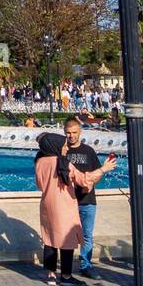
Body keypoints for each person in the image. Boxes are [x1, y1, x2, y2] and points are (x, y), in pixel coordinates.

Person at [34, 131, 114, 286]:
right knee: (67, 240)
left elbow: (39, 185)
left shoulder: (40, 162)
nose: (66, 148)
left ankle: (51, 275)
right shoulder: (62, 162)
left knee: (50, 239)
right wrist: (103, 169)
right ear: (55, 146)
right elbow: (83, 180)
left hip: (46, 204)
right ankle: (66, 276)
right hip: (64, 204)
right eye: (63, 145)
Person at [61, 118, 104, 276]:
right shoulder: (62, 152)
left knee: (87, 235)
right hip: (68, 201)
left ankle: (86, 265)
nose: (71, 136)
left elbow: (98, 171)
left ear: (80, 132)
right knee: (68, 235)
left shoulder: (88, 151)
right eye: (68, 133)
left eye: (74, 133)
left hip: (87, 200)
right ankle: (66, 268)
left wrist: (92, 182)